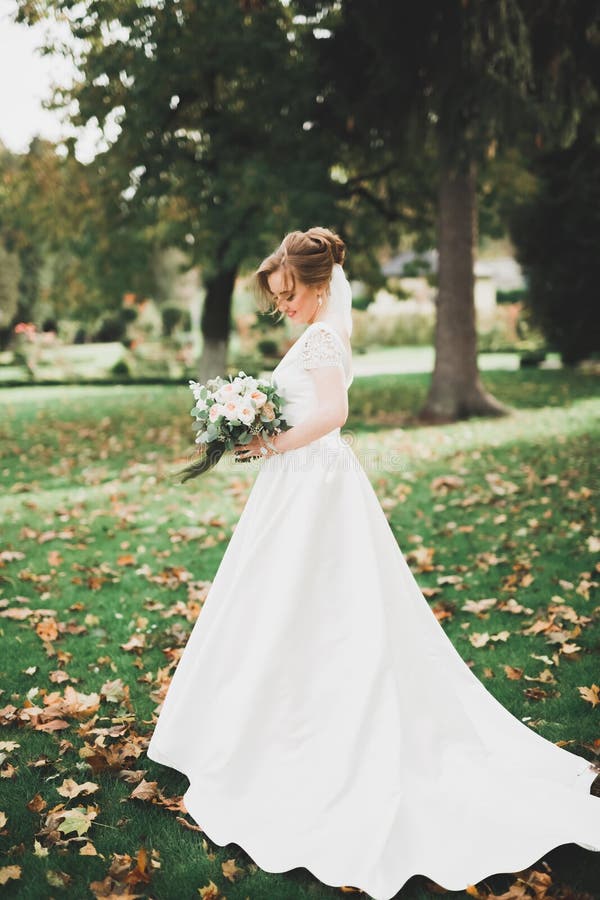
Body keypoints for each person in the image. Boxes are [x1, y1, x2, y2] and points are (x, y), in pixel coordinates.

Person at [146, 227, 600, 900]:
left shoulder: (325, 338)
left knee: (320, 605)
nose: (286, 308)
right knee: (274, 606)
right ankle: (256, 723)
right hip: (299, 482)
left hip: (314, 480)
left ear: (318, 285)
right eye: (278, 298)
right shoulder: (314, 333)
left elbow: (335, 411)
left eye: (290, 294)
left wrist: (273, 441)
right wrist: (256, 424)